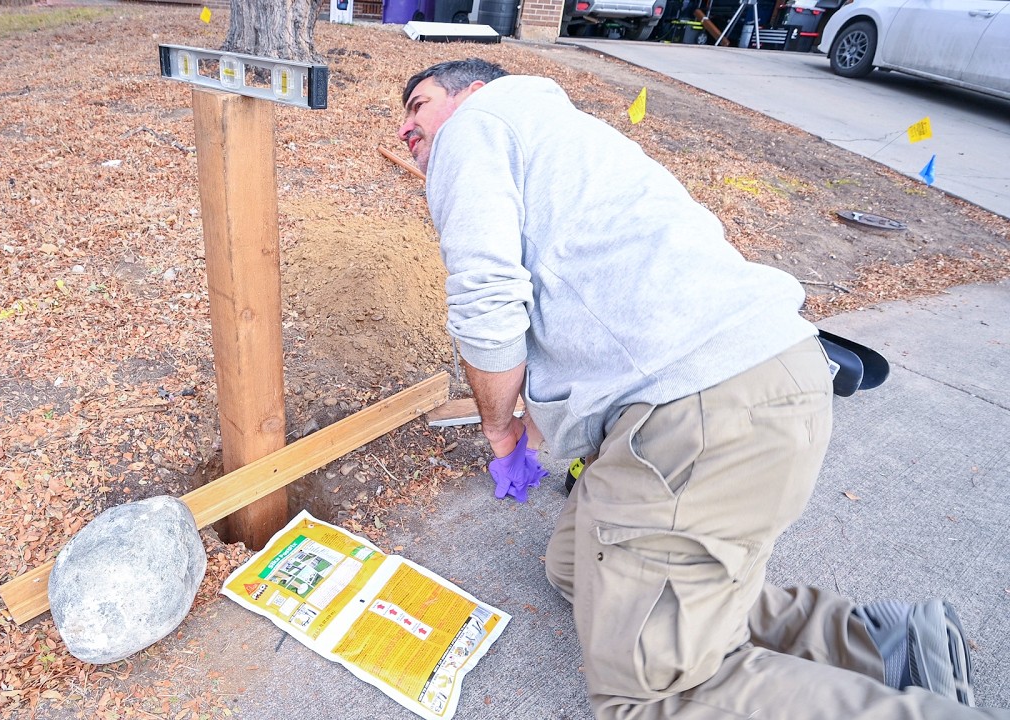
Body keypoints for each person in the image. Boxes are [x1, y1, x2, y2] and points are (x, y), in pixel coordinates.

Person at [398, 58, 1004, 719]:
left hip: (703, 414)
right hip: (772, 379)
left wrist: (500, 428)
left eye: (419, 104)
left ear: (474, 91)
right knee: (576, 567)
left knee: (658, 692)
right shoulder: (567, 142)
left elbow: (487, 301)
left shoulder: (477, 127)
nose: (408, 125)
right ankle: (888, 646)